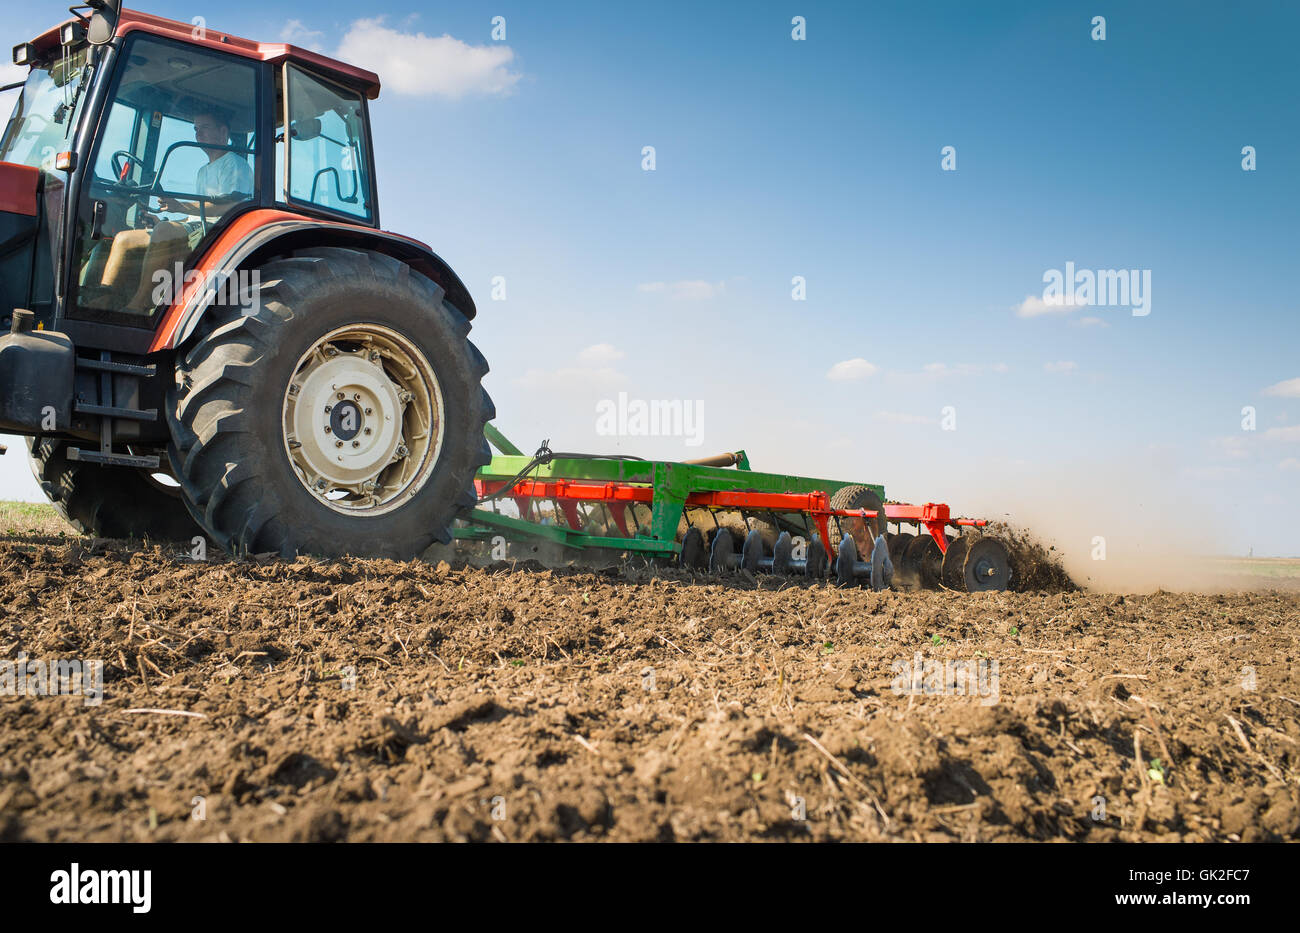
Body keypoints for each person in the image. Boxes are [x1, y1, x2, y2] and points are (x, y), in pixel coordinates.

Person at [156, 103, 253, 220]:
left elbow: (229, 207)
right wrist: (161, 223)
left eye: (205, 128)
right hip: (202, 228)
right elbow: (196, 218)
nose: (198, 133)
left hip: (221, 229)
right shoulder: (202, 171)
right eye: (196, 129)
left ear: (223, 132)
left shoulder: (234, 163)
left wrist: (180, 206)